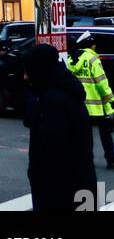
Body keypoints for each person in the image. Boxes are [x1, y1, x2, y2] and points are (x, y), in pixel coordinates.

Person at [24, 42, 96, 211]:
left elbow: (51, 152)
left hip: (60, 190)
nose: (25, 77)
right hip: (77, 184)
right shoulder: (65, 91)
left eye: (28, 70)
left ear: (39, 70)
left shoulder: (52, 102)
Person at [67, 31, 114, 169]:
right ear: (90, 45)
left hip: (81, 105)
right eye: (94, 45)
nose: (95, 47)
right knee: (105, 135)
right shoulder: (93, 59)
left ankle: (87, 160)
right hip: (98, 106)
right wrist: (110, 99)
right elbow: (102, 83)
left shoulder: (71, 59)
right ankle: (111, 159)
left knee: (85, 136)